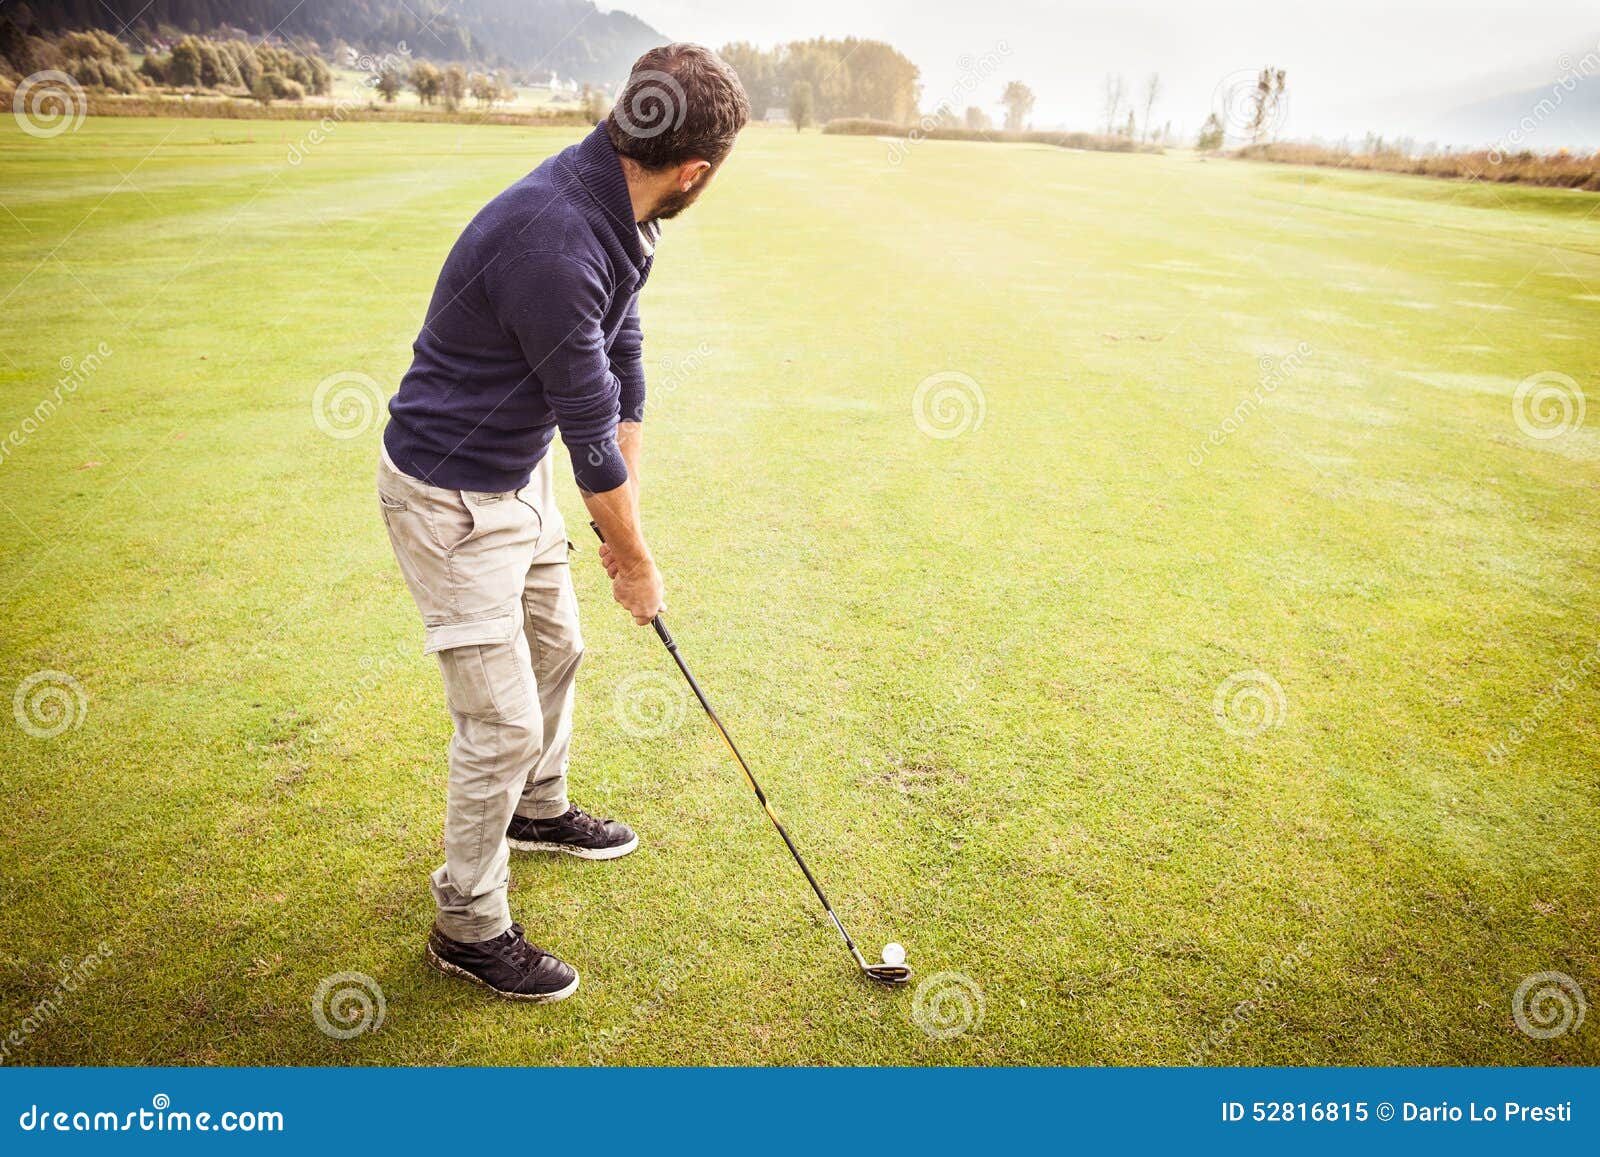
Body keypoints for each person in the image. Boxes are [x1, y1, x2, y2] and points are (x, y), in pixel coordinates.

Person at [376, 44, 750, 1002]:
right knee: (498, 722)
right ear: (694, 171)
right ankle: (467, 923)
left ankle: (536, 811)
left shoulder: (618, 206)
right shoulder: (555, 238)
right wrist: (633, 557)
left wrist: (625, 490)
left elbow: (622, 344)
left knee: (559, 647)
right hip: (451, 496)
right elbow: (588, 440)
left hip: (518, 478)